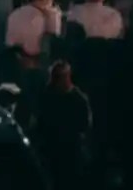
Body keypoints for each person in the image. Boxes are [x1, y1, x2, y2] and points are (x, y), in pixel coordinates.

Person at [35, 61, 92, 189]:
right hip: (54, 151)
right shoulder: (49, 96)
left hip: (70, 151)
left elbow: (84, 125)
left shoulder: (77, 99)